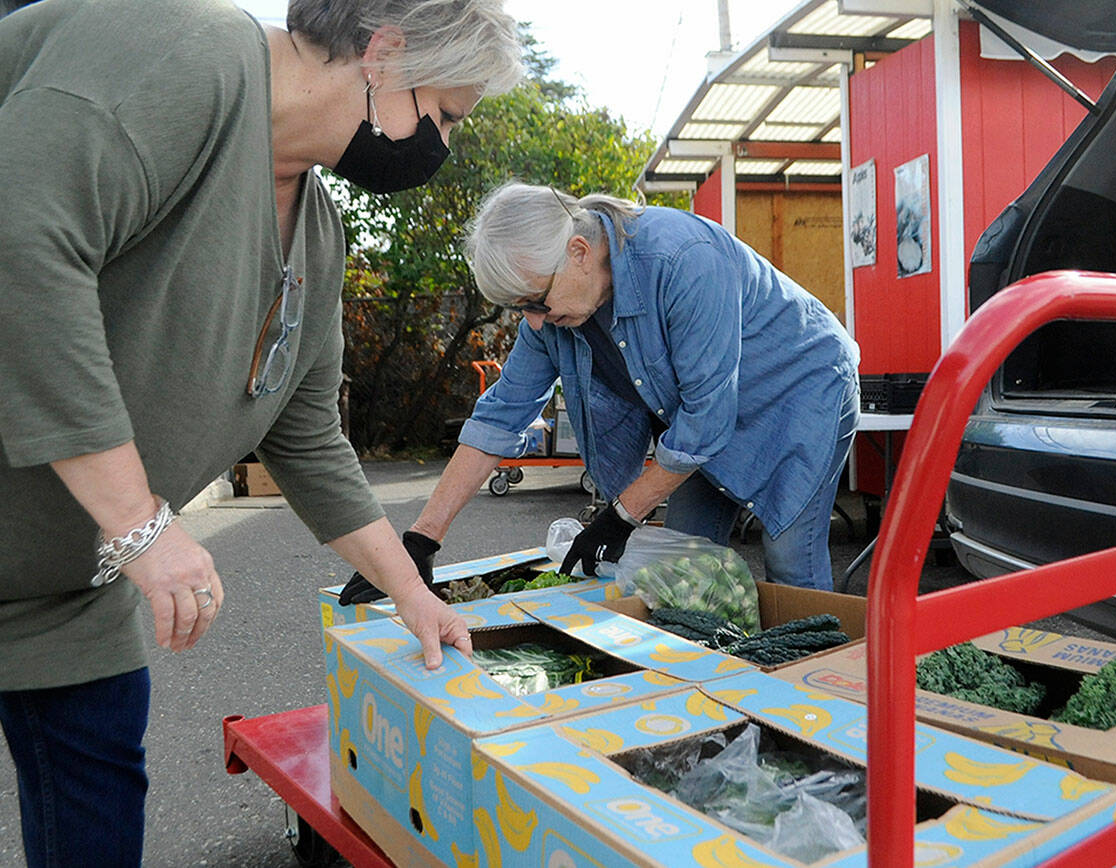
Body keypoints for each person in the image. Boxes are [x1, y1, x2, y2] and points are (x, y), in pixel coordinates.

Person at [0, 0, 521, 864]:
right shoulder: (180, 51)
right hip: (92, 544)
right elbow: (22, 243)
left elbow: (305, 433)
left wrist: (410, 592)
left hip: (65, 598)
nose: (443, 146)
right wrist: (138, 524)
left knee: (97, 812)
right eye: (446, 115)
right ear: (384, 53)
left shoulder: (317, 229)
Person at [342, 182, 859, 605]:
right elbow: (499, 416)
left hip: (801, 391)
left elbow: (706, 420)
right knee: (683, 564)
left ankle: (818, 696)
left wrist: (622, 514)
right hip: (704, 422)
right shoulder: (554, 314)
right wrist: (421, 540)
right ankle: (720, 690)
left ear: (579, 252)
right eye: (521, 308)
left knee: (788, 555)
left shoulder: (683, 258)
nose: (532, 322)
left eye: (535, 302)